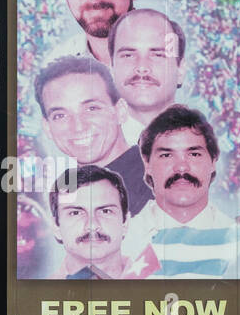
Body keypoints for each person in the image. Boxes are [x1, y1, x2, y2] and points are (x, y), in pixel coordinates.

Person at [122, 105, 240, 280]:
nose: (181, 167)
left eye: (194, 154)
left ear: (213, 162)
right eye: (167, 155)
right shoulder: (119, 243)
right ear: (147, 164)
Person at [33, 55, 152, 215]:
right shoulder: (65, 192)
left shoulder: (158, 180)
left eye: (92, 108)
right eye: (60, 115)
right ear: (47, 128)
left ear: (120, 111)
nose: (78, 127)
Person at [107, 8, 187, 145]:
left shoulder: (207, 145)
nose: (142, 68)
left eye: (157, 55)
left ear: (180, 70)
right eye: (128, 55)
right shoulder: (86, 148)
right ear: (111, 68)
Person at [48, 165, 139, 279]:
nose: (92, 225)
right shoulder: (37, 294)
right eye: (75, 213)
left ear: (125, 223)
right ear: (56, 226)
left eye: (105, 211)